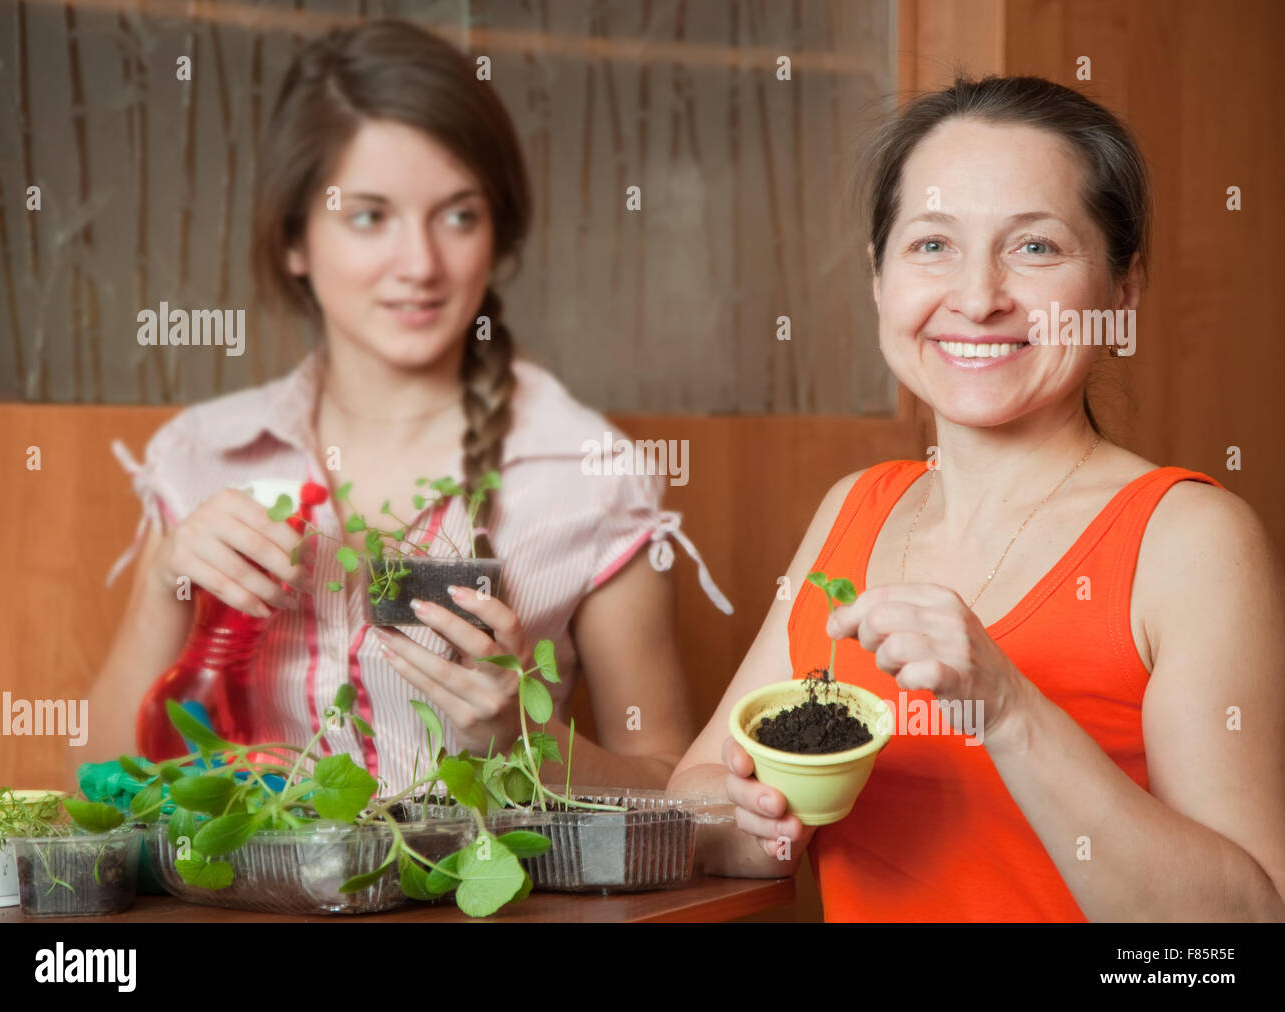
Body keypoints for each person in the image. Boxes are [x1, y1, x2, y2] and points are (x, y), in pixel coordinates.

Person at [669, 75, 1285, 921]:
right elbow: (699, 790)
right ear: (878, 278)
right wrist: (748, 822)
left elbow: (1245, 919)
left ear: (1123, 289)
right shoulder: (857, 507)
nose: (976, 297)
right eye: (931, 245)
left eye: (1034, 248)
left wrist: (1008, 708)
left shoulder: (1190, 537)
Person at [83, 19, 732, 796]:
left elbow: (677, 792)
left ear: (496, 233)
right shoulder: (203, 458)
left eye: (458, 215)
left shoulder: (589, 474)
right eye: (369, 216)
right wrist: (164, 582)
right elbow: (88, 784)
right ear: (294, 239)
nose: (420, 264)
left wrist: (526, 742)